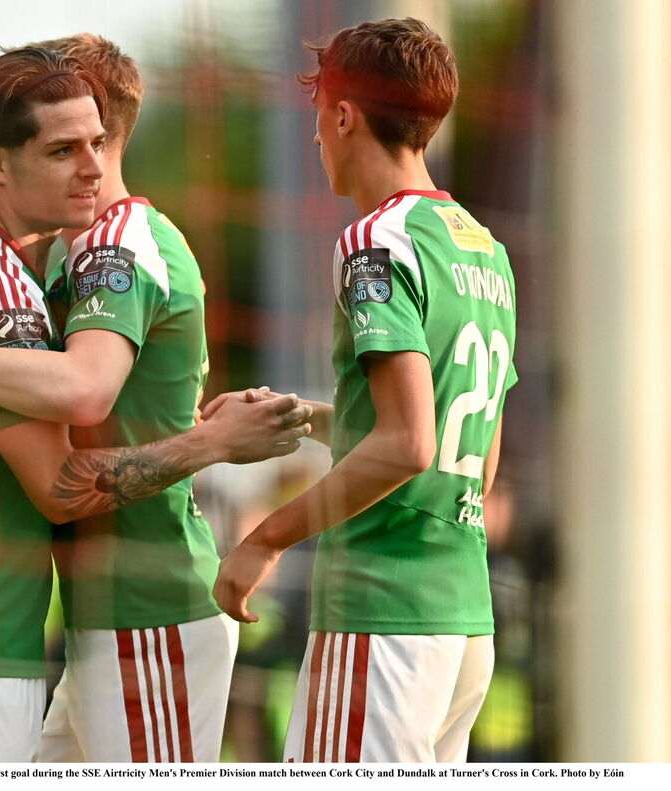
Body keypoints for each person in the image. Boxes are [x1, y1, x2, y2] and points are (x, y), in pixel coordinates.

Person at [0, 46, 308, 763]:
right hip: (70, 621)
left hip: (148, 615)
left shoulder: (114, 244)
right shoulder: (47, 254)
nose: (86, 163)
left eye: (89, 140)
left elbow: (86, 393)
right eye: (62, 145)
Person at [211, 18, 518, 763]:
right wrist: (306, 417)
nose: (316, 138)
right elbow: (469, 450)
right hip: (463, 623)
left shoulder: (376, 240)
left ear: (343, 115)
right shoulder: (483, 244)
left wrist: (265, 537)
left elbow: (409, 443)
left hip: (383, 619)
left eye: (318, 115)